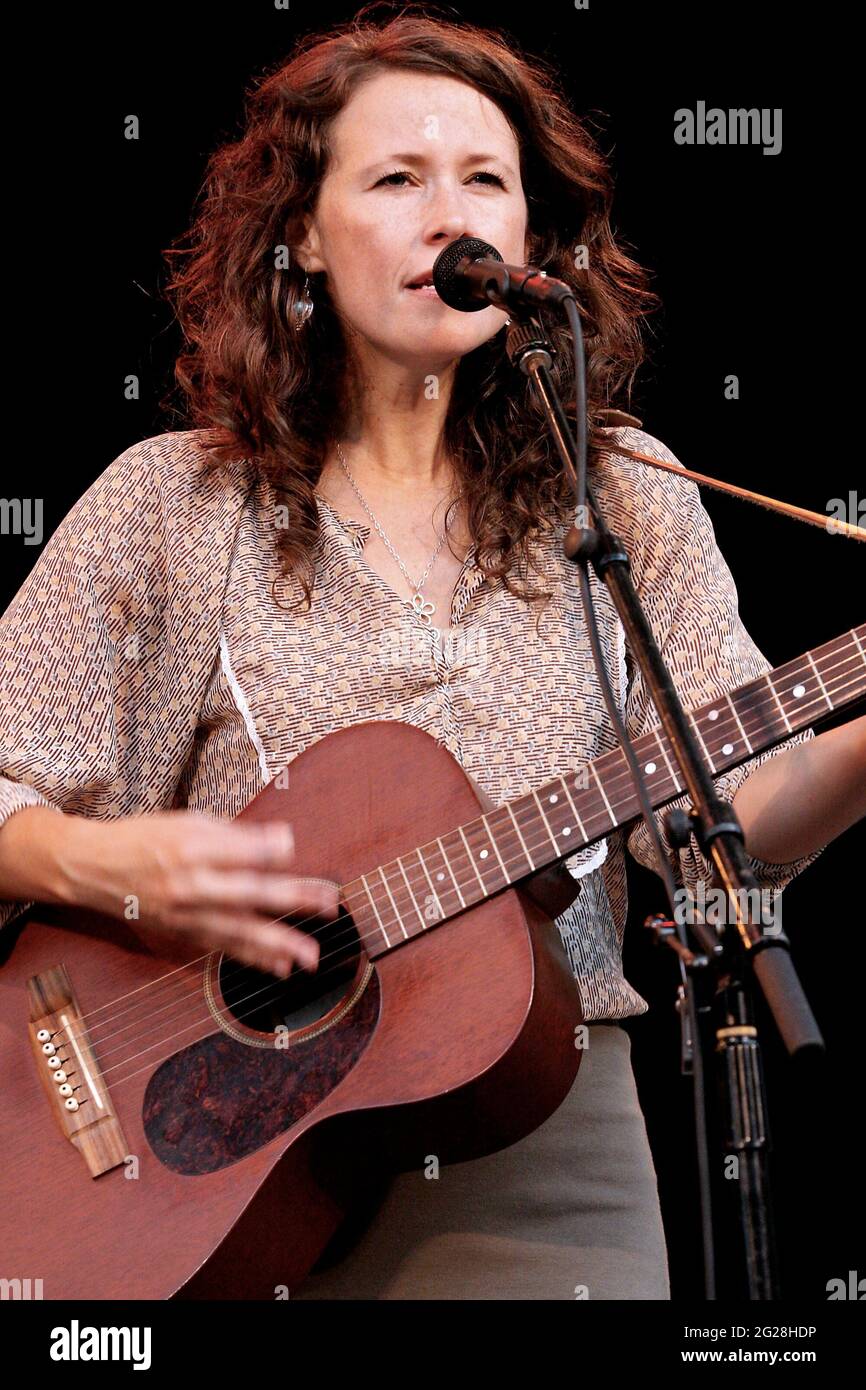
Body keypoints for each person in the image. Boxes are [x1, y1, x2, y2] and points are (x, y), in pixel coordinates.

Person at [1, 6, 863, 1300]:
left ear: (527, 242)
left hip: (541, 1143)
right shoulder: (171, 502)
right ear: (299, 230)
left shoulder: (622, 494)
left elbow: (733, 816)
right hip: (186, 1155)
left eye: (482, 183)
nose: (444, 214)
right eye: (395, 179)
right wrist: (107, 860)